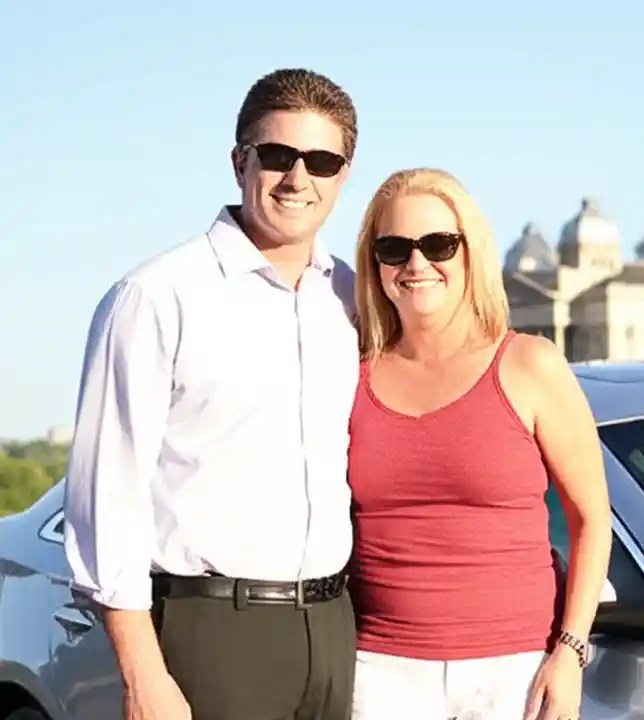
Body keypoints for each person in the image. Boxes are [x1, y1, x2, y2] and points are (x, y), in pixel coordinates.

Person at [62, 68, 362, 720]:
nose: (297, 178)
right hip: (212, 632)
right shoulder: (156, 297)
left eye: (321, 160)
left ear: (344, 174)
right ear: (239, 162)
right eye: (277, 156)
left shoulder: (354, 298)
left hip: (335, 628)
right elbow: (105, 500)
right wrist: (144, 676)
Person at [346, 168, 612, 720]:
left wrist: (569, 653)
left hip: (513, 672)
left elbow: (592, 519)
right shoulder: (348, 375)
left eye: (439, 244)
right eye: (394, 248)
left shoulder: (529, 365)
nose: (416, 264)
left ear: (471, 254)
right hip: (380, 671)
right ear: (375, 264)